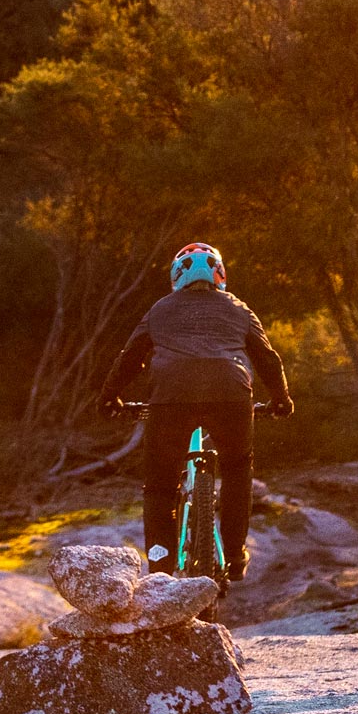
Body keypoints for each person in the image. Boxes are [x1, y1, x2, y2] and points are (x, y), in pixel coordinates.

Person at [100, 242, 293, 595]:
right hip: (232, 396)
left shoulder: (160, 310)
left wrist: (109, 396)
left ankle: (159, 566)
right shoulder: (238, 308)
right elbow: (268, 359)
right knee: (236, 471)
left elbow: (131, 357)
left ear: (177, 277)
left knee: (160, 486)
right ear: (220, 275)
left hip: (171, 398)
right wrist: (281, 399)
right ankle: (234, 556)